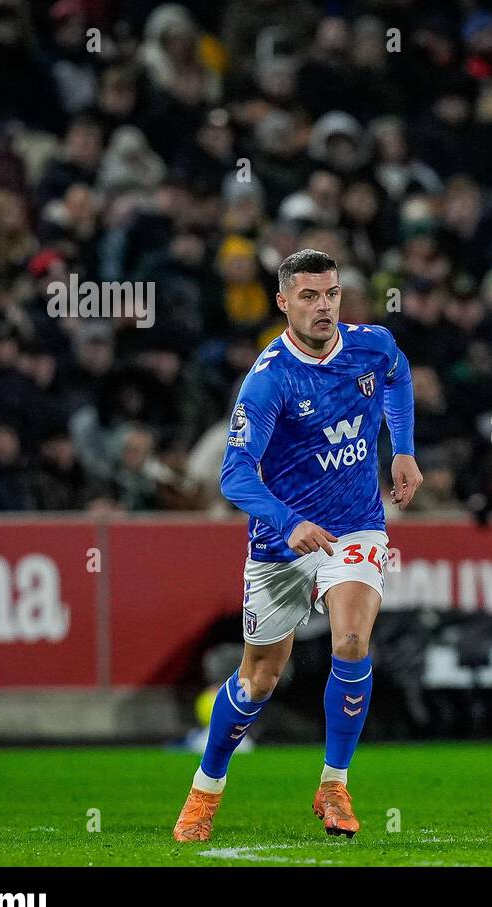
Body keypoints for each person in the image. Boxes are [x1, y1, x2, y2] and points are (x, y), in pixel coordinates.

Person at [173, 249, 421, 842]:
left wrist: (404, 448)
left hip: (355, 525)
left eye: (330, 294)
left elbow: (399, 375)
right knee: (259, 678)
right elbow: (234, 475)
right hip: (282, 541)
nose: (323, 307)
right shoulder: (269, 380)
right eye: (308, 297)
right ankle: (206, 789)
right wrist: (287, 522)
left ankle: (334, 785)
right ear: (283, 303)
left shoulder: (371, 344)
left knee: (353, 640)